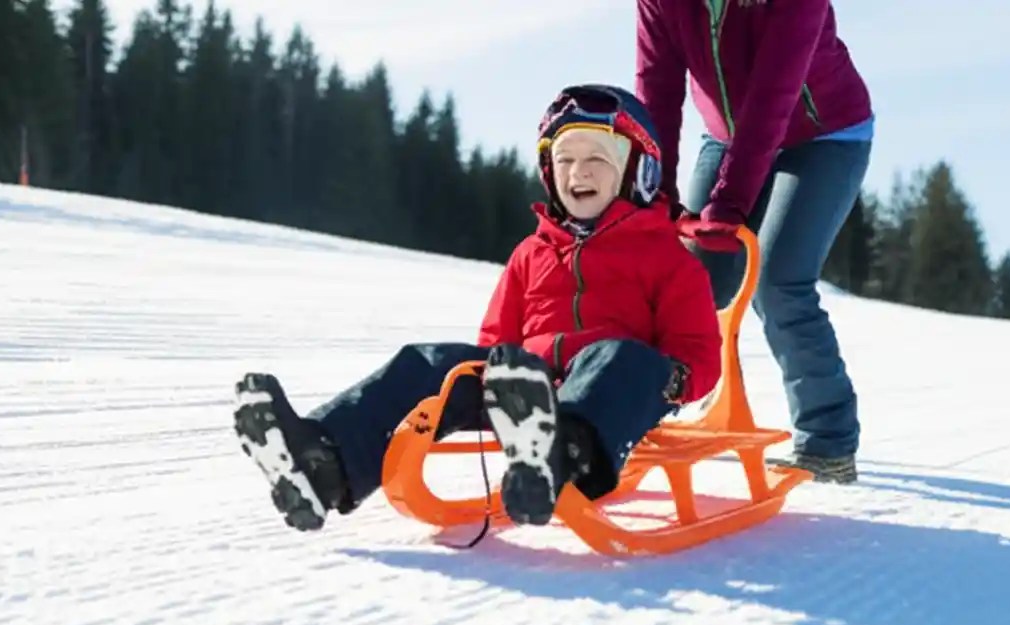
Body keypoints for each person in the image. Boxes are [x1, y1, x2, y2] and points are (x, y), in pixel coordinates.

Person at [232, 84, 723, 532]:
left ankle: (556, 456)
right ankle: (322, 462)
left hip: (614, 396)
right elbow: (495, 344)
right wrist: (502, 380)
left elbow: (699, 357)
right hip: (527, 396)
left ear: (639, 171)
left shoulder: (667, 260)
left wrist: (667, 378)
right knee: (430, 363)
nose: (579, 172)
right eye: (565, 159)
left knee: (617, 356)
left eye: (598, 158)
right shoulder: (530, 254)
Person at [634, 0, 873, 483]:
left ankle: (827, 442)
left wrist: (730, 202)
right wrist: (654, 193)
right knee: (686, 279)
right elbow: (657, 89)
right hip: (725, 138)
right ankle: (631, 411)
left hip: (823, 135)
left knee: (779, 281)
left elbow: (774, 96)